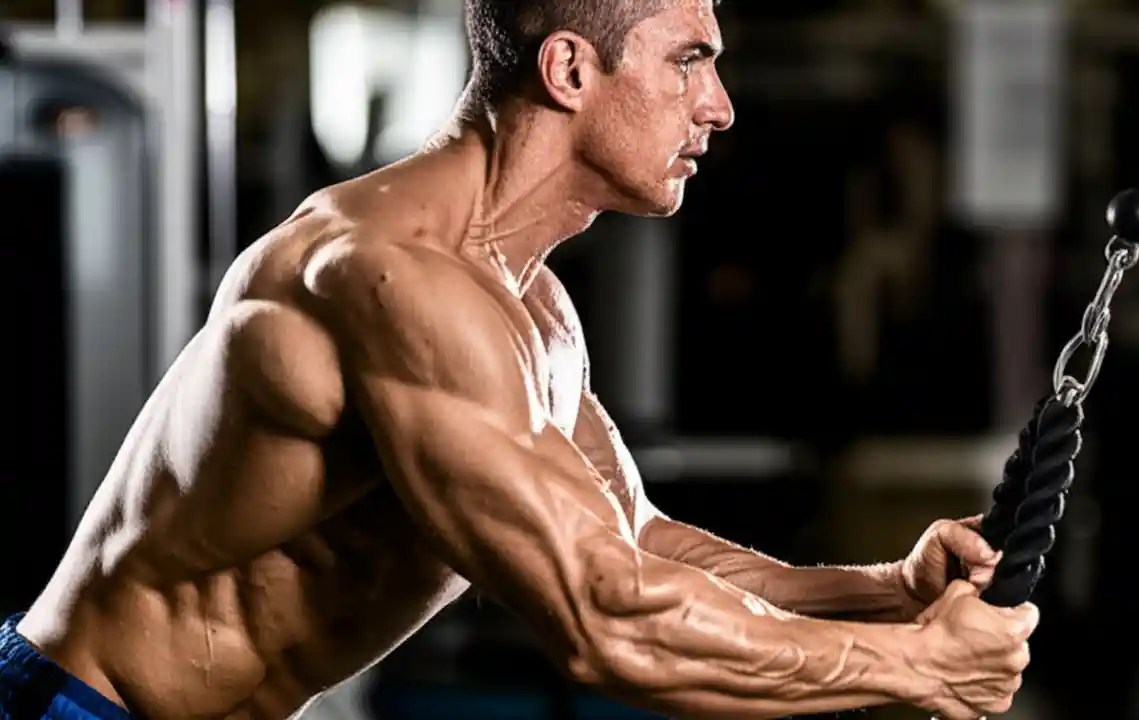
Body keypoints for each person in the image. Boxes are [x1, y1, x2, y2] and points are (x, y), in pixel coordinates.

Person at [2, 1, 1039, 718]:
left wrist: (881, 592)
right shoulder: (390, 279)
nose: (717, 104)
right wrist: (915, 670)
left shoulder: (528, 303)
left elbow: (640, 543)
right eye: (688, 59)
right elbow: (606, 620)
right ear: (569, 69)